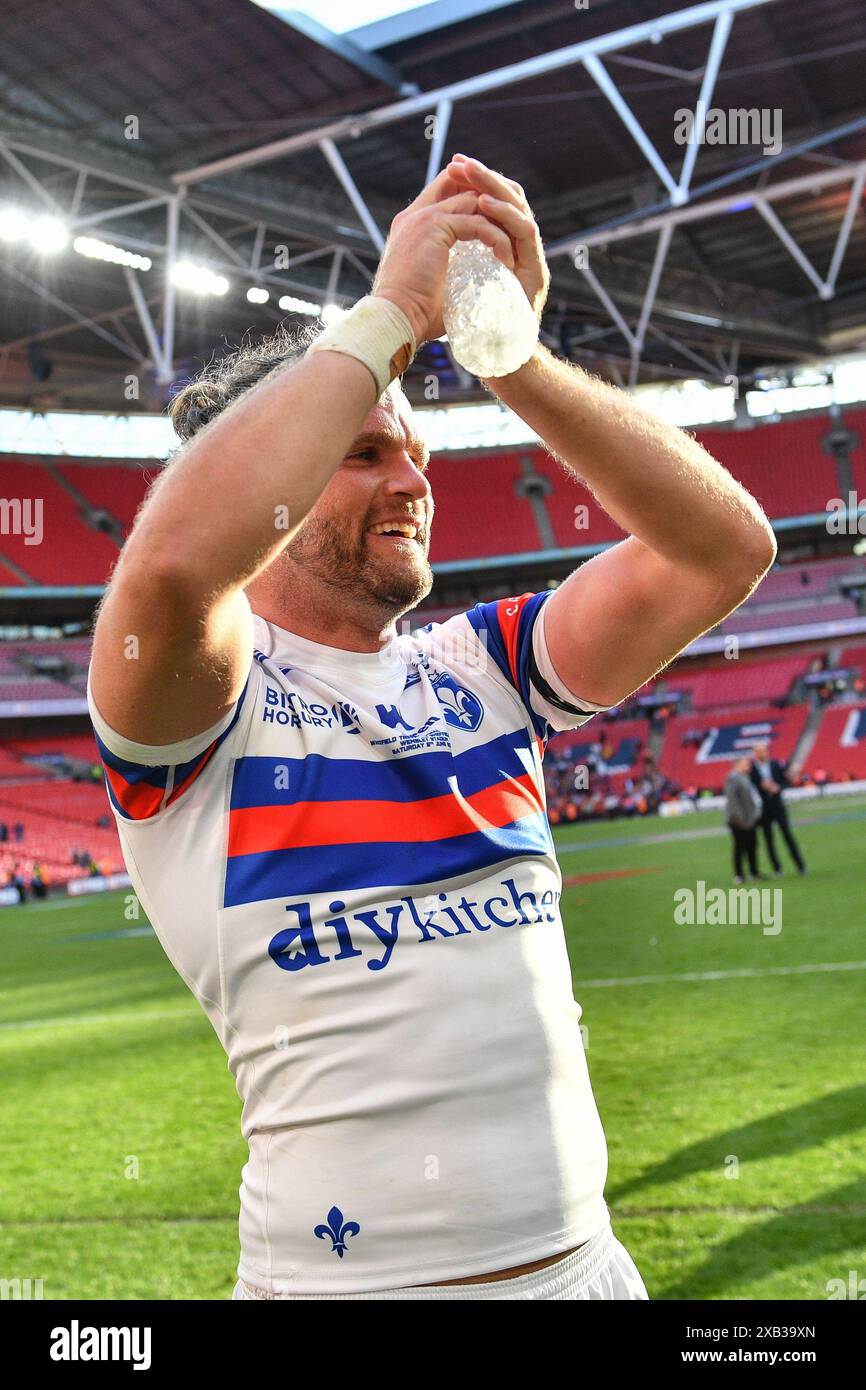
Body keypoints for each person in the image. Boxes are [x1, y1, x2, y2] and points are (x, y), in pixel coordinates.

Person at [87, 154, 776, 1301]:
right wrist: (396, 313)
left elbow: (723, 550)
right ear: (284, 471)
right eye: (364, 452)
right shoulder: (209, 707)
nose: (414, 478)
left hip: (589, 1273)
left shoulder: (484, 664)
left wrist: (513, 356)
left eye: (416, 449)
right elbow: (166, 571)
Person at [749, 740, 807, 875]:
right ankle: (777, 868)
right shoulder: (752, 769)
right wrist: (762, 786)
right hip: (765, 807)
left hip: (778, 805)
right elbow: (753, 784)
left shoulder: (776, 764)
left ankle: (800, 866)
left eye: (763, 751)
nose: (762, 754)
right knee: (768, 839)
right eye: (758, 752)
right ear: (755, 754)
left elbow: (786, 781)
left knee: (787, 835)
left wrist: (777, 787)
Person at [723, 756, 765, 882]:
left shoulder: (745, 777)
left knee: (752, 845)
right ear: (737, 764)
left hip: (749, 818)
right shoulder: (732, 778)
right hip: (738, 819)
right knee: (739, 846)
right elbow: (732, 800)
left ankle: (754, 872)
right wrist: (739, 818)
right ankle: (739, 875)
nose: (748, 766)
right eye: (745, 763)